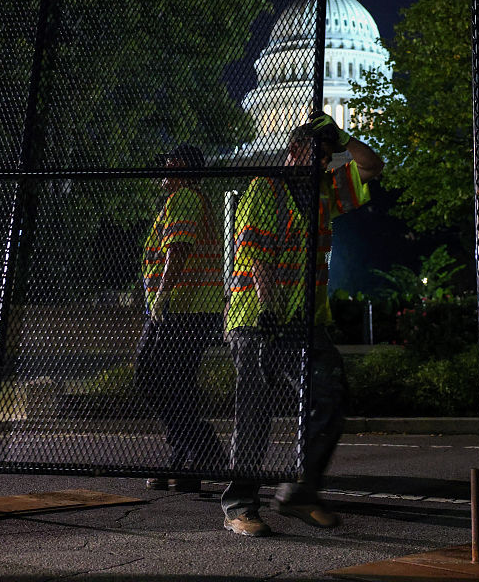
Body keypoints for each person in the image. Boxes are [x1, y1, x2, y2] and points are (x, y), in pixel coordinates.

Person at [221, 111, 383, 537]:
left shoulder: (327, 190)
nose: (326, 162)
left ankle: (300, 492)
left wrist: (342, 137)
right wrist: (269, 308)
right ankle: (240, 506)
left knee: (328, 394)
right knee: (254, 413)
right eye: (319, 153)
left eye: (328, 156)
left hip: (302, 322)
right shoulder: (265, 188)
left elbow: (372, 166)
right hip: (255, 319)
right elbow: (256, 254)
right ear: (294, 152)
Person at [136, 145, 225, 493]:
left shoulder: (184, 197)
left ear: (182, 169)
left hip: (182, 310)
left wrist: (162, 295)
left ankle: (202, 449)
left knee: (150, 374)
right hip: (189, 309)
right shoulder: (189, 198)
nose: (163, 168)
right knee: (177, 383)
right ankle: (186, 460)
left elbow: (178, 249)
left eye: (169, 163)